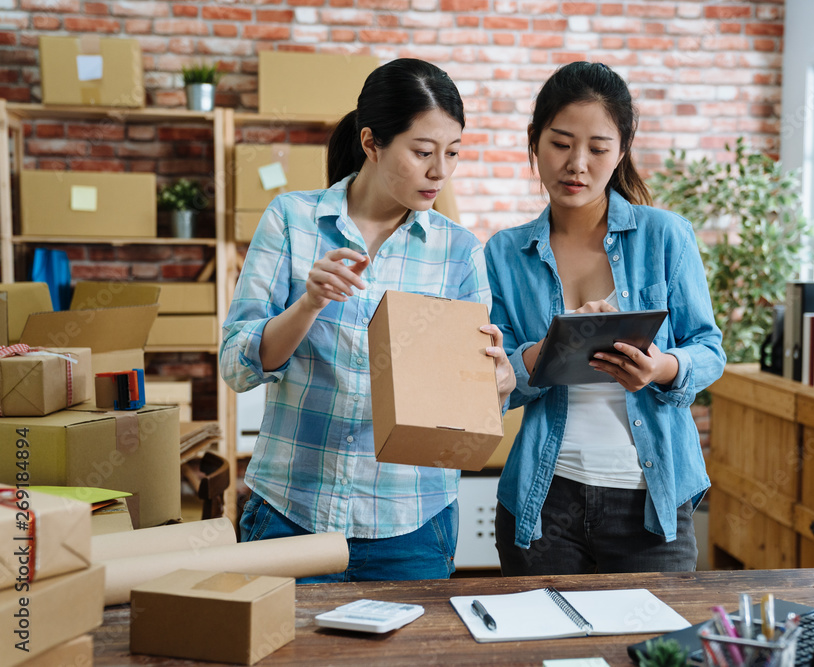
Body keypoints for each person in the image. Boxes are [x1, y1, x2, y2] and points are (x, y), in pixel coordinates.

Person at [221, 58, 515, 582]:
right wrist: (307, 303)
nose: (439, 171)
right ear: (372, 143)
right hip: (291, 514)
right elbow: (237, 367)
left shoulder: (459, 252)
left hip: (411, 525)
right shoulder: (292, 222)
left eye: (452, 153)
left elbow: (465, 418)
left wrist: (495, 385)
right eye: (423, 152)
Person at [485, 61, 725, 575]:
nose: (577, 164)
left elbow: (709, 348)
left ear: (621, 152)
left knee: (650, 654)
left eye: (597, 149)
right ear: (535, 140)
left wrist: (660, 368)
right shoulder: (504, 253)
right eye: (560, 143)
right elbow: (496, 379)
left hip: (650, 503)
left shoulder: (665, 236)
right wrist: (547, 349)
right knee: (545, 652)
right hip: (543, 502)